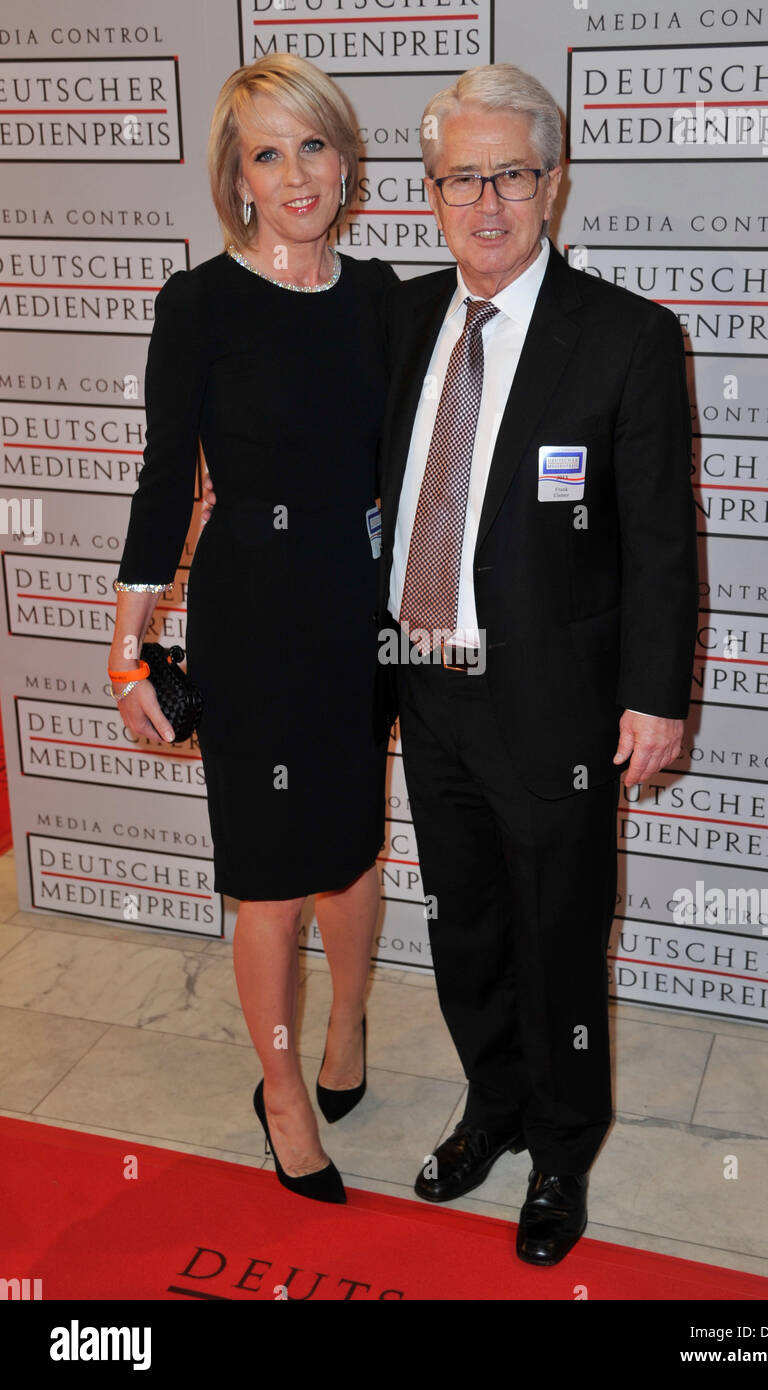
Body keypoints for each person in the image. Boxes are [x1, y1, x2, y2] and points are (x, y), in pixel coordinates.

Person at [376, 64, 698, 1264]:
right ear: (431, 193)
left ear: (553, 183)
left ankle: (562, 1147)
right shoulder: (402, 319)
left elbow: (662, 538)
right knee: (465, 924)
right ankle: (493, 1103)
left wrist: (654, 695)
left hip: (557, 702)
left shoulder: (624, 337)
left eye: (512, 174)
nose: (489, 203)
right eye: (464, 179)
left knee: (559, 930)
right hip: (425, 685)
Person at [110, 54, 397, 1205]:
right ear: (235, 175)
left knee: (356, 851)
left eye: (313, 145)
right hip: (248, 623)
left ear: (344, 157)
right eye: (267, 152)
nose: (295, 174)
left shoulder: (388, 298)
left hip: (356, 619)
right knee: (272, 881)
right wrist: (128, 645)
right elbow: (160, 485)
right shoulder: (200, 305)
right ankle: (282, 1093)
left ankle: (348, 1035)